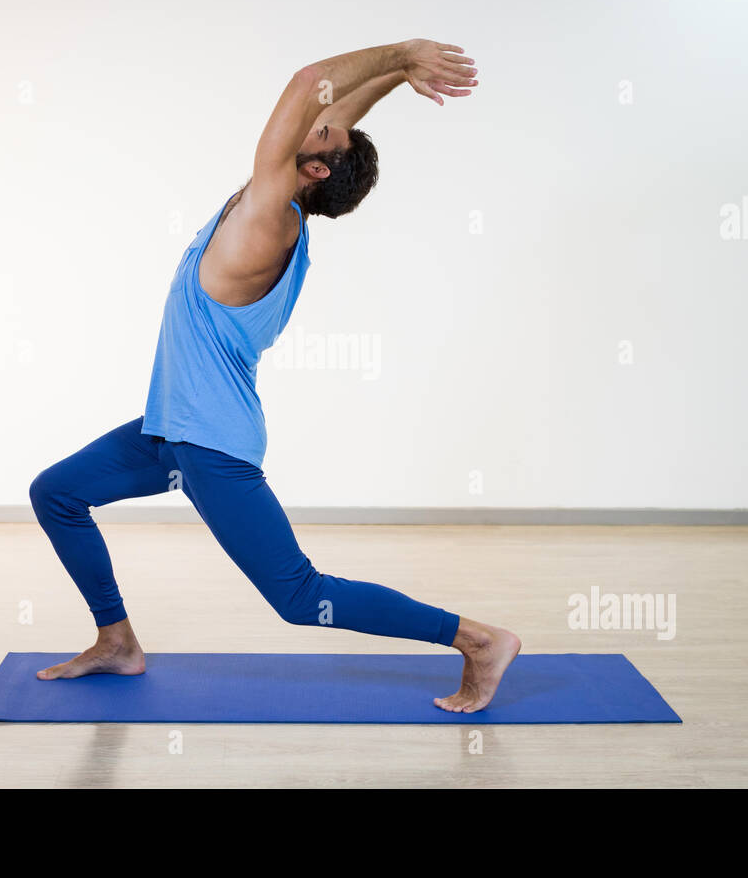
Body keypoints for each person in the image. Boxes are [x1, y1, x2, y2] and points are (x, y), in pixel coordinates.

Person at [29, 39, 519, 713]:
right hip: (169, 430)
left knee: (299, 596)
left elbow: (310, 82)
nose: (317, 121)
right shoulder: (277, 199)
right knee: (56, 493)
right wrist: (398, 76)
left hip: (210, 442)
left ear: (312, 168)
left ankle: (478, 641)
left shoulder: (264, 219)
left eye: (321, 133)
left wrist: (403, 51)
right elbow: (333, 106)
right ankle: (117, 641)